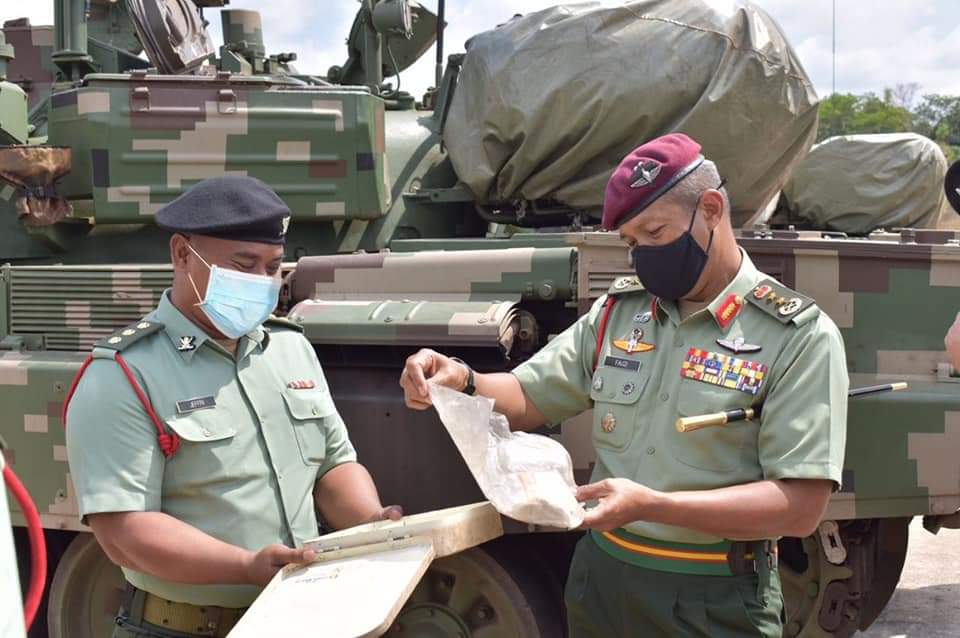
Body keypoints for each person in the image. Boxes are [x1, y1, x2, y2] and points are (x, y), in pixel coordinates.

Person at [400, 134, 848, 637]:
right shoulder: (620, 313)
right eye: (631, 243)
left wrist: (654, 505)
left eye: (655, 233)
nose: (643, 257)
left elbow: (801, 506)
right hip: (602, 584)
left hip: (713, 597)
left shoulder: (797, 335)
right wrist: (461, 379)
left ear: (712, 209)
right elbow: (529, 396)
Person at [65, 176, 400, 638]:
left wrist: (370, 522)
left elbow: (332, 465)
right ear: (182, 254)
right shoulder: (123, 375)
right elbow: (124, 533)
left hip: (303, 618)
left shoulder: (290, 350)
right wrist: (245, 566)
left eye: (273, 267)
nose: (261, 282)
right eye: (243, 265)